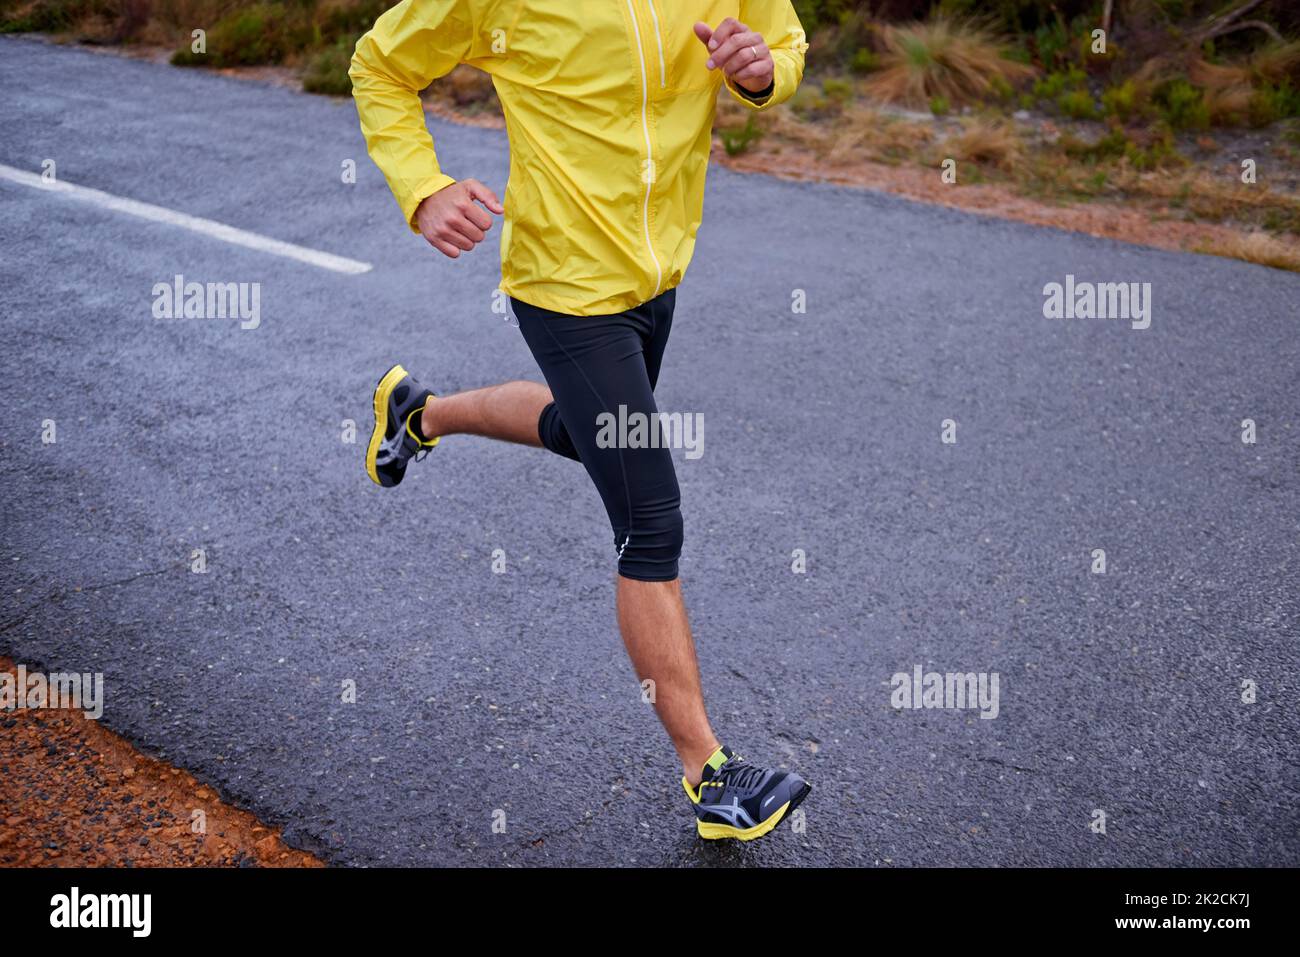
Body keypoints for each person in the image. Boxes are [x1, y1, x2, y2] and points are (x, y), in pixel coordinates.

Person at [351, 0, 810, 841]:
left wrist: (764, 71)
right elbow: (379, 65)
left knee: (580, 432)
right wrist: (423, 188)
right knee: (649, 518)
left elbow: (782, 36)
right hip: (565, 286)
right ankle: (709, 772)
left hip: (660, 270)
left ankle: (420, 412)